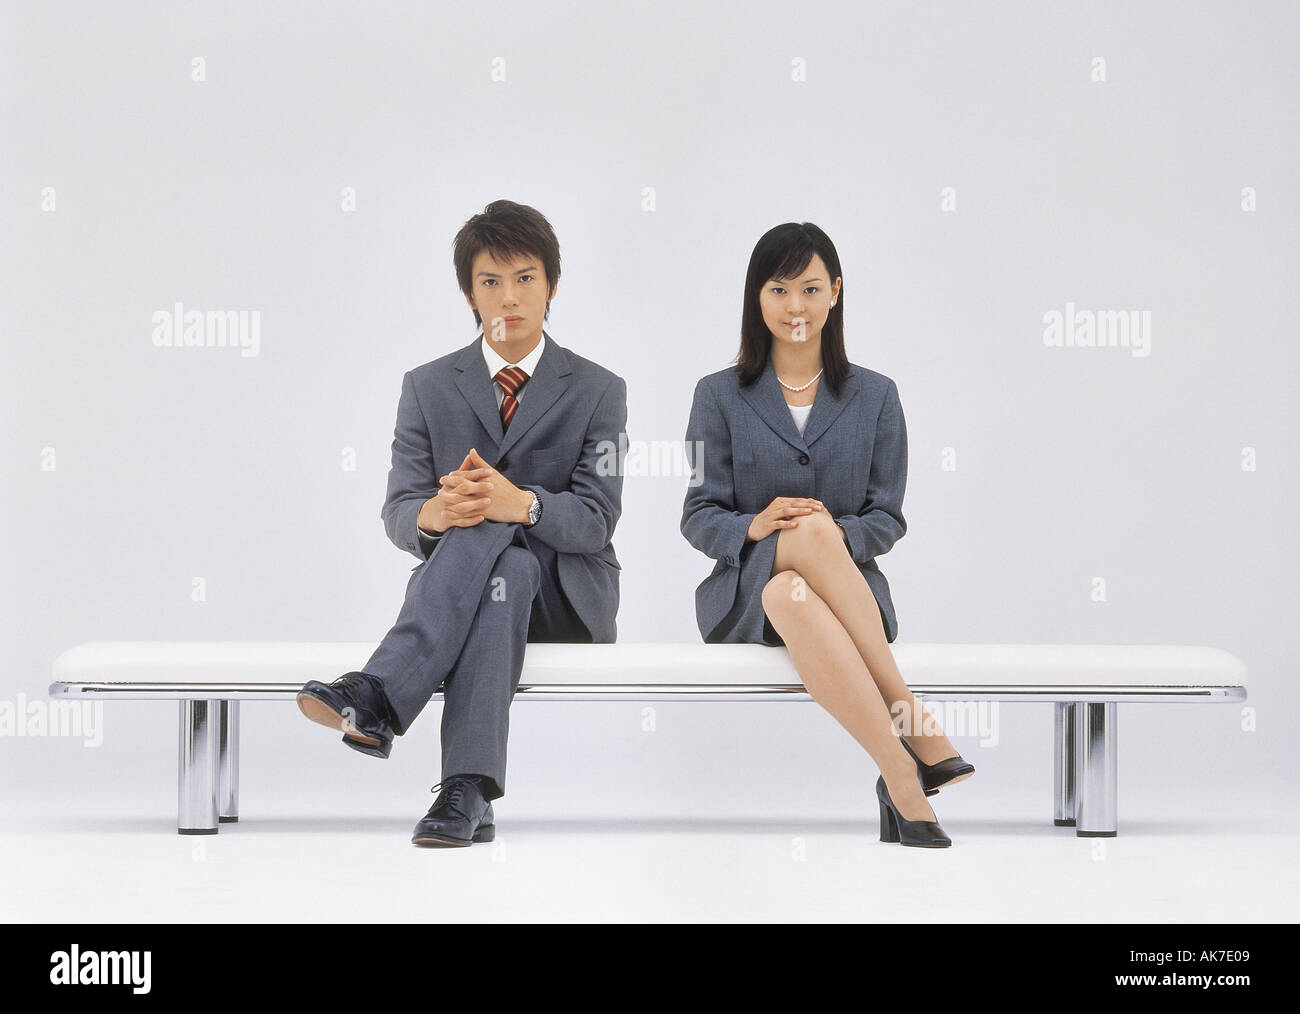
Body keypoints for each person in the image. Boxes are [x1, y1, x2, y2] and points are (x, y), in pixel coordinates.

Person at [298, 200, 627, 847]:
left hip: (565, 599)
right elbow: (400, 510)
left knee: (500, 533)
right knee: (506, 564)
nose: (509, 297)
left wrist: (520, 503)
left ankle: (378, 693)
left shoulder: (599, 389)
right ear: (469, 293)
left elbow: (596, 520)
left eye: (525, 278)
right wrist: (435, 513)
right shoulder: (426, 386)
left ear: (551, 285)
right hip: (477, 597)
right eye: (490, 281)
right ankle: (466, 791)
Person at [680, 221, 973, 848]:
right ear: (757, 297)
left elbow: (886, 517)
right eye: (779, 290)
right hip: (743, 593)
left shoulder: (876, 396)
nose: (796, 307)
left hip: (845, 598)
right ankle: (911, 720)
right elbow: (699, 515)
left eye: (810, 290)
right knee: (802, 542)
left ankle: (900, 776)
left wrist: (833, 534)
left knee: (797, 578)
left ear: (835, 292)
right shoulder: (717, 395)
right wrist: (755, 524)